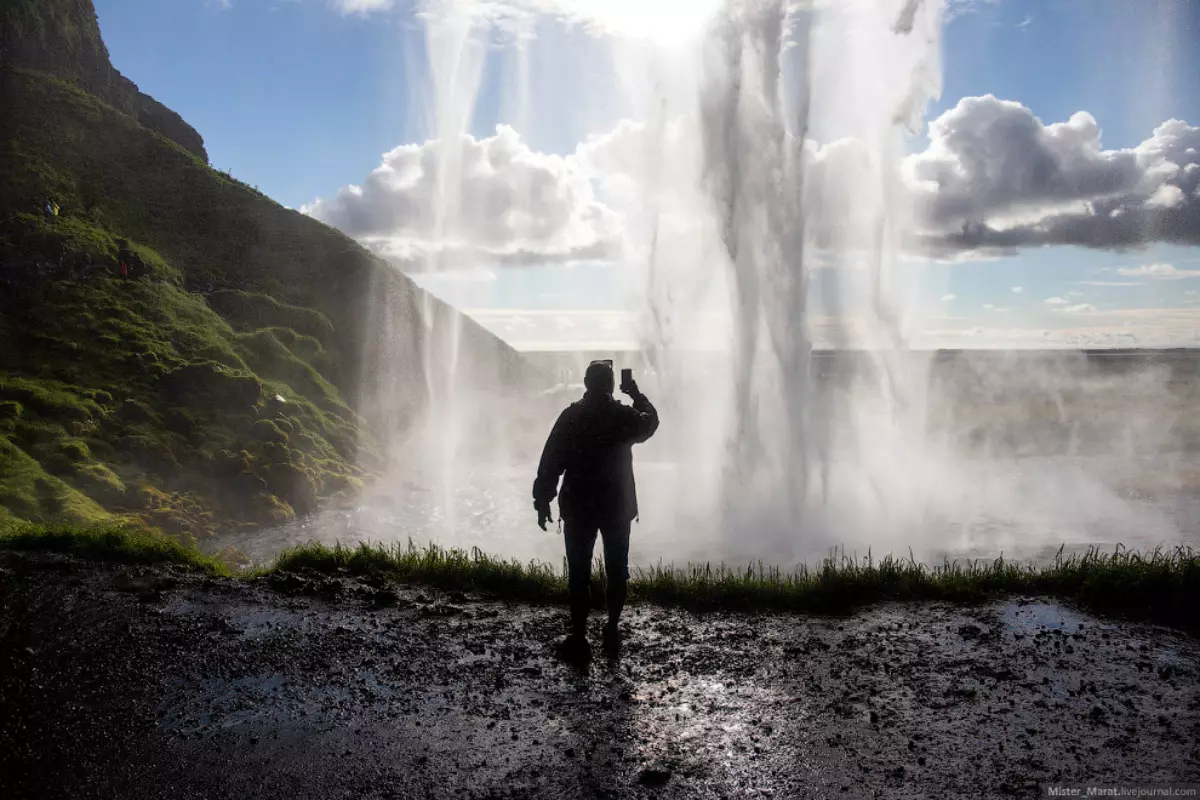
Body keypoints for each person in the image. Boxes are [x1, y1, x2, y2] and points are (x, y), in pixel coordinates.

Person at [533, 359, 659, 658]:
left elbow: (551, 461)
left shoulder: (571, 416)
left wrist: (542, 500)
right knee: (617, 570)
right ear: (612, 384)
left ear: (586, 383)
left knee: (578, 572)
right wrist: (636, 394)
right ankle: (612, 629)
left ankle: (578, 636)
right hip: (616, 506)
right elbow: (651, 422)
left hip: (578, 505)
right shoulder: (622, 415)